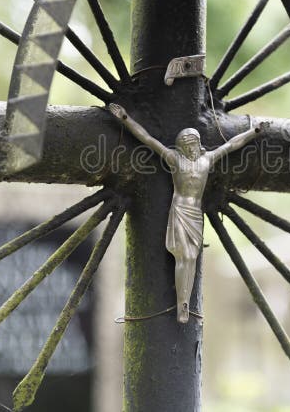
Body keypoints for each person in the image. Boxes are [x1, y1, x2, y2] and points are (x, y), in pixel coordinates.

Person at [108, 103, 267, 323]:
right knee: (182, 257)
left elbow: (231, 145)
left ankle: (184, 302)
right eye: (188, 144)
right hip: (181, 209)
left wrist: (253, 132)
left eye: (195, 143)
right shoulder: (175, 160)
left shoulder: (206, 159)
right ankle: (182, 304)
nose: (192, 147)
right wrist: (125, 118)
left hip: (195, 211)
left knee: (192, 257)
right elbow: (148, 140)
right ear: (181, 146)